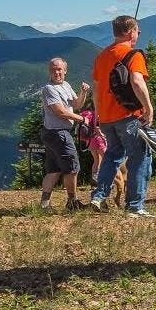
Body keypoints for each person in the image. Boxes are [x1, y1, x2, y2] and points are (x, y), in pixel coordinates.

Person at [89, 15, 156, 218]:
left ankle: (99, 197)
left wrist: (98, 115)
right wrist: (148, 107)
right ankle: (135, 206)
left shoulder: (101, 56)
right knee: (140, 157)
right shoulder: (133, 54)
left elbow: (96, 89)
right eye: (137, 31)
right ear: (130, 32)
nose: (138, 34)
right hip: (128, 115)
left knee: (112, 155)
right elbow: (137, 81)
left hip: (106, 117)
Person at [39, 58, 89, 210]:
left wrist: (83, 92)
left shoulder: (66, 85)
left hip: (53, 133)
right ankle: (72, 202)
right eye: (53, 70)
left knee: (54, 170)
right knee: (72, 167)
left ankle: (44, 205)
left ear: (65, 71)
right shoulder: (49, 89)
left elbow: (77, 104)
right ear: (49, 71)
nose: (57, 72)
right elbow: (60, 112)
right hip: (58, 133)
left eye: (59, 69)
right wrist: (81, 119)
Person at [78, 107, 107, 185]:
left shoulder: (85, 113)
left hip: (89, 140)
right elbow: (97, 127)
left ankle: (95, 179)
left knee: (96, 160)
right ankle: (107, 179)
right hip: (98, 139)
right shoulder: (96, 114)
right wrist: (103, 136)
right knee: (107, 159)